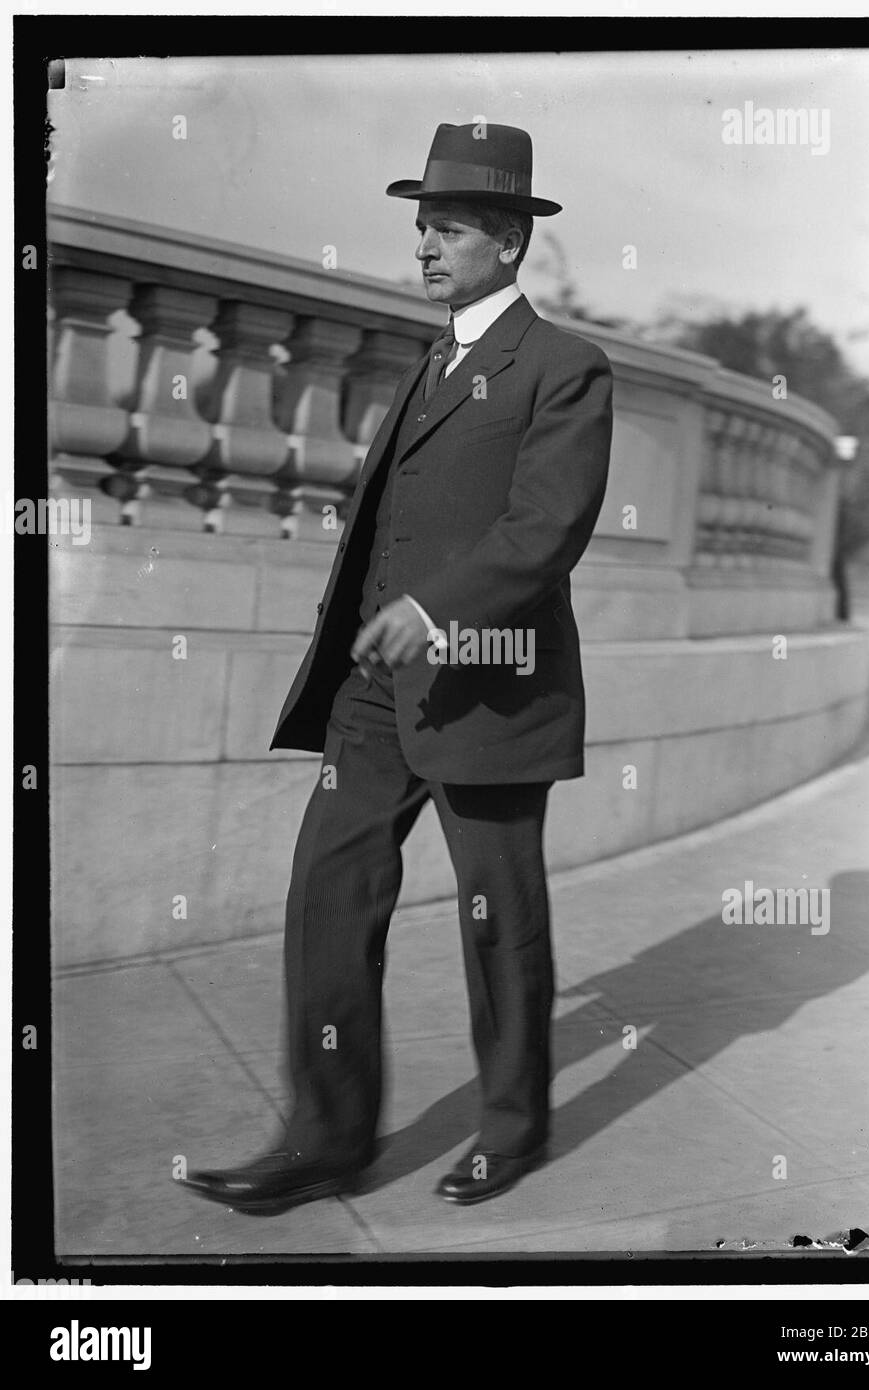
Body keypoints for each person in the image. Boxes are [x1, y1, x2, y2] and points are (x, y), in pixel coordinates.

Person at [180, 122, 613, 1214]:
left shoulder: (564, 366)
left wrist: (434, 609)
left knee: (494, 917)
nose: (424, 246)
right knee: (326, 895)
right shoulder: (428, 362)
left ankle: (510, 1131)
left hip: (487, 680)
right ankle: (325, 1136)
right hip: (374, 692)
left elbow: (544, 527)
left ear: (509, 242)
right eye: (421, 226)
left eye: (450, 228)